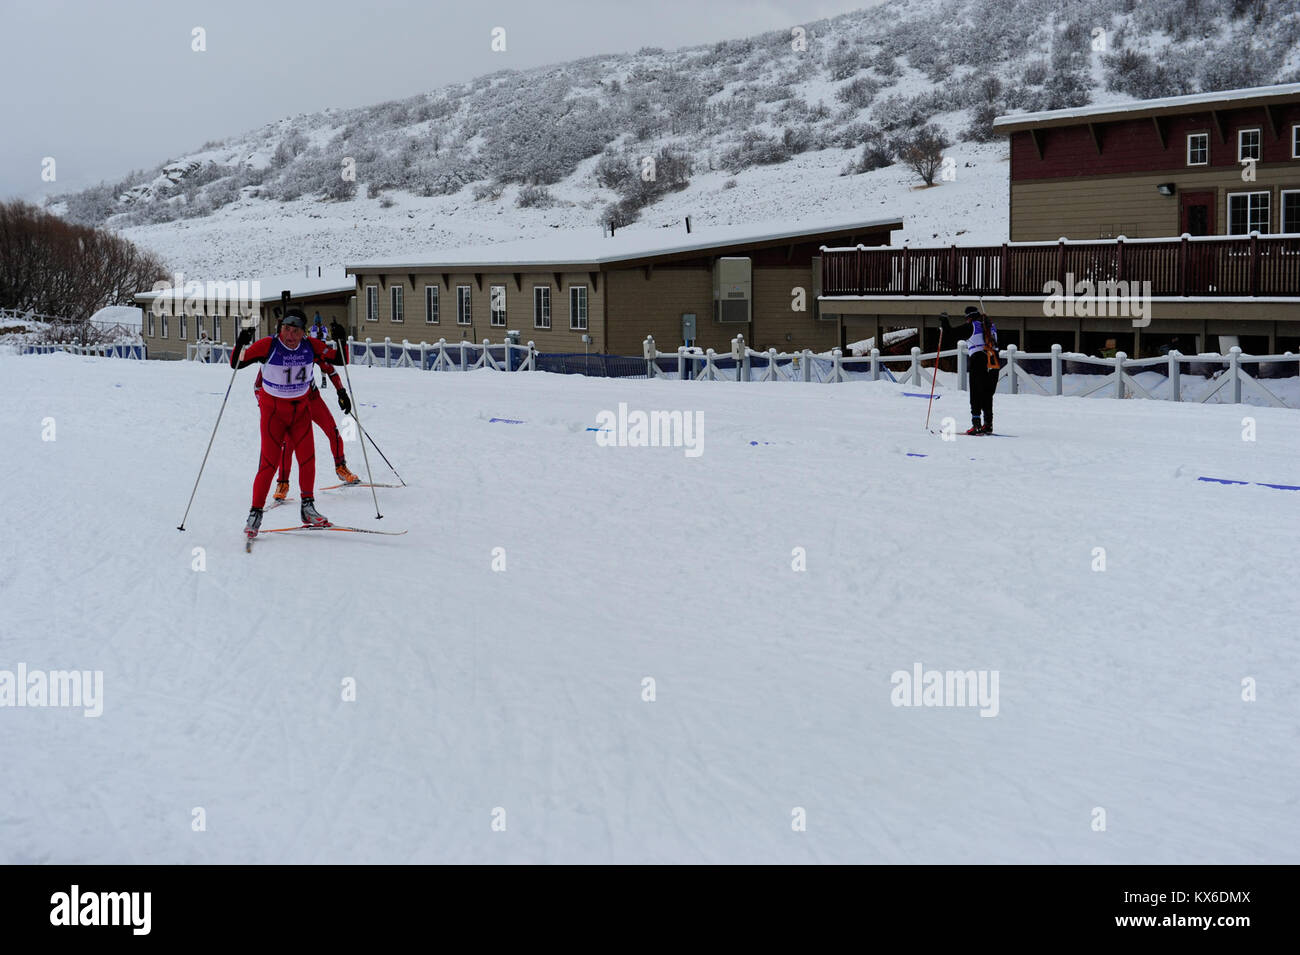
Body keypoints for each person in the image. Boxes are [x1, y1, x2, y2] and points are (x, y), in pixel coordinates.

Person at [230, 309, 349, 539]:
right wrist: (241, 342)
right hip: (273, 413)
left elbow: (340, 360)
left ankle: (308, 508)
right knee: (269, 463)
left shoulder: (310, 346)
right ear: (280, 328)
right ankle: (255, 514)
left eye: (295, 331)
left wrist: (341, 339)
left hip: (301, 412)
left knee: (307, 458)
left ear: (303, 332)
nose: (290, 335)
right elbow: (236, 363)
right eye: (286, 329)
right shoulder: (269, 345)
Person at [939, 305, 1000, 435]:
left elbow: (950, 335)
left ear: (969, 318)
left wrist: (944, 321)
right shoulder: (991, 325)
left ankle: (976, 424)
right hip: (994, 360)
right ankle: (988, 424)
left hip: (979, 359)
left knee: (976, 391)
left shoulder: (971, 326)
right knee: (987, 393)